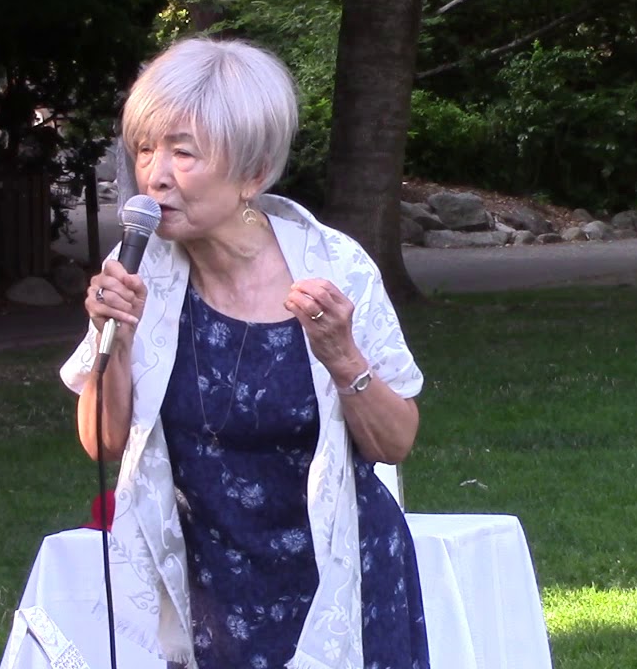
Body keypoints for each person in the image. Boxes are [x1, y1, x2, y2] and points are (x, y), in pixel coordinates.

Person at [59, 37, 429, 669]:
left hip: (345, 582)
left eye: (183, 152)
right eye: (146, 148)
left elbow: (396, 443)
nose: (156, 174)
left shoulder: (334, 266)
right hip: (210, 592)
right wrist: (113, 344)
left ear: (252, 174)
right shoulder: (141, 270)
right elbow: (104, 445)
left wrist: (343, 358)